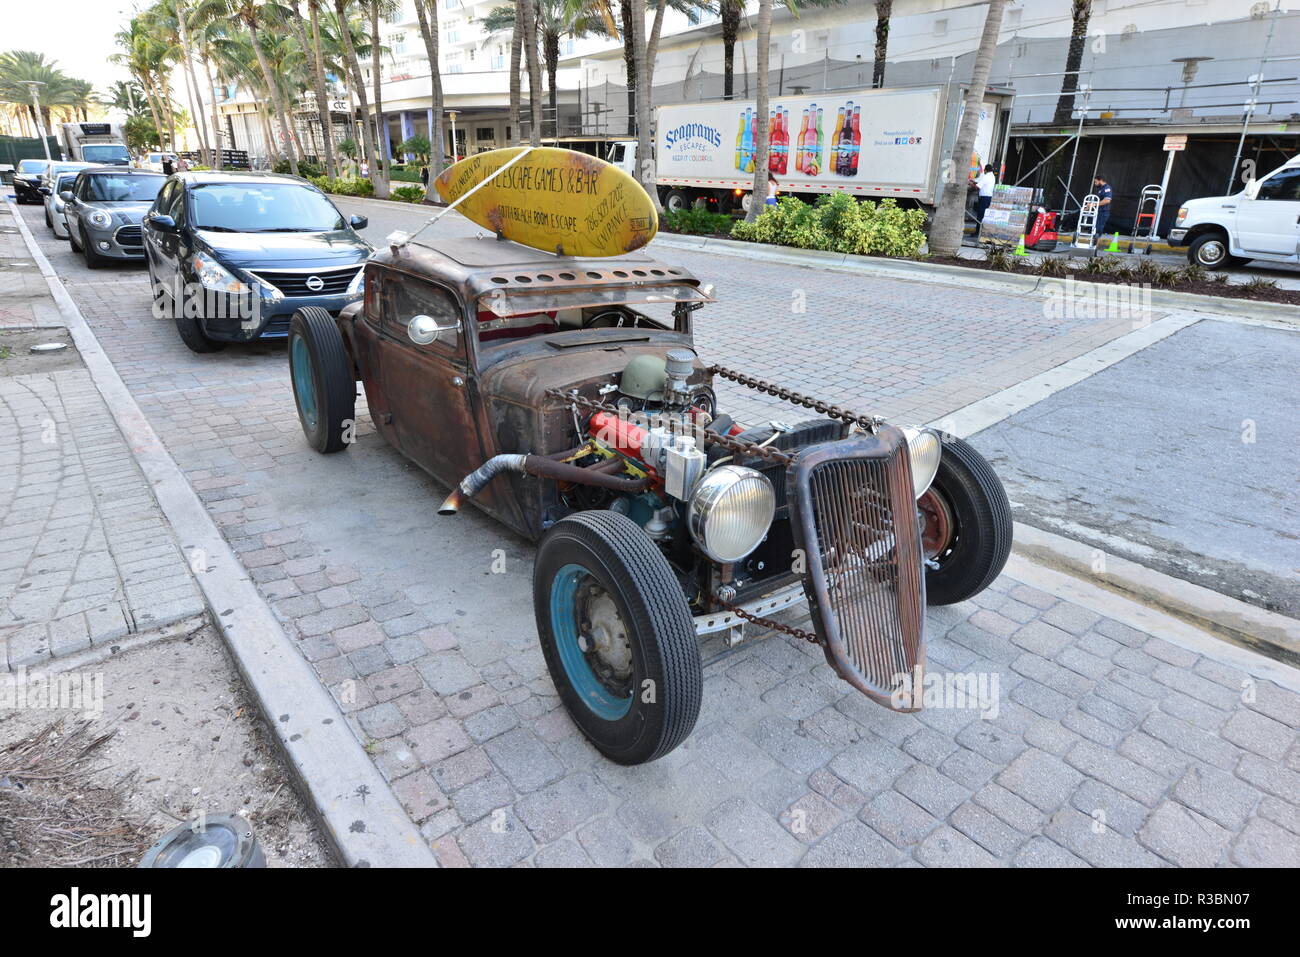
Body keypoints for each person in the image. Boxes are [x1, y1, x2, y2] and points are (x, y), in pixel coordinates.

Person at [975, 164, 996, 235]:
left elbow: (978, 187)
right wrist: (975, 183)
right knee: (983, 215)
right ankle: (980, 232)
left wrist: (971, 184)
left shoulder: (986, 176)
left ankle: (977, 232)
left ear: (985, 170)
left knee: (980, 215)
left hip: (984, 198)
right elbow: (983, 184)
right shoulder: (992, 176)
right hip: (988, 198)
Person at [1092, 174, 1113, 246]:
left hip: (1104, 212)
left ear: (1100, 180)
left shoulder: (1107, 188)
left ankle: (1095, 246)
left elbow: (1107, 200)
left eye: (1096, 182)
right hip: (1099, 212)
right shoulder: (1101, 189)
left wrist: (1094, 204)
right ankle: (1092, 244)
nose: (1095, 184)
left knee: (1098, 229)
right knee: (1094, 229)